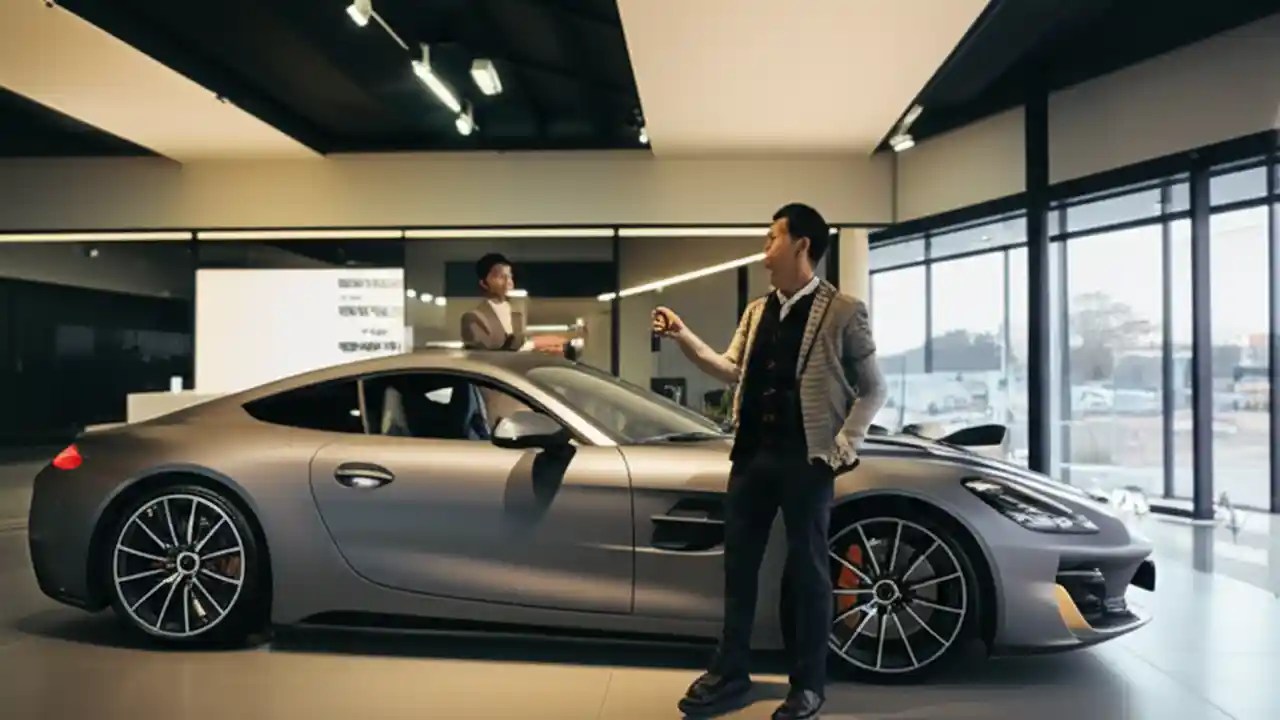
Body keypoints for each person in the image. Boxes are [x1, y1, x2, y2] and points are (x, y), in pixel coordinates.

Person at [653, 203, 886, 720]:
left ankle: (807, 684)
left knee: (808, 570)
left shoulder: (845, 311)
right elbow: (729, 368)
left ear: (801, 244)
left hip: (808, 461)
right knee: (739, 567)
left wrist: (845, 444)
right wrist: (682, 334)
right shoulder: (757, 311)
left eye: (770, 239)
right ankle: (731, 671)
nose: (764, 253)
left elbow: (874, 390)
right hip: (752, 456)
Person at [460, 253, 564, 354]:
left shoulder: (516, 312)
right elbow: (483, 355)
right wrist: (533, 344)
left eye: (509, 277)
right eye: (500, 277)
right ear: (484, 283)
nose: (507, 282)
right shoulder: (473, 317)